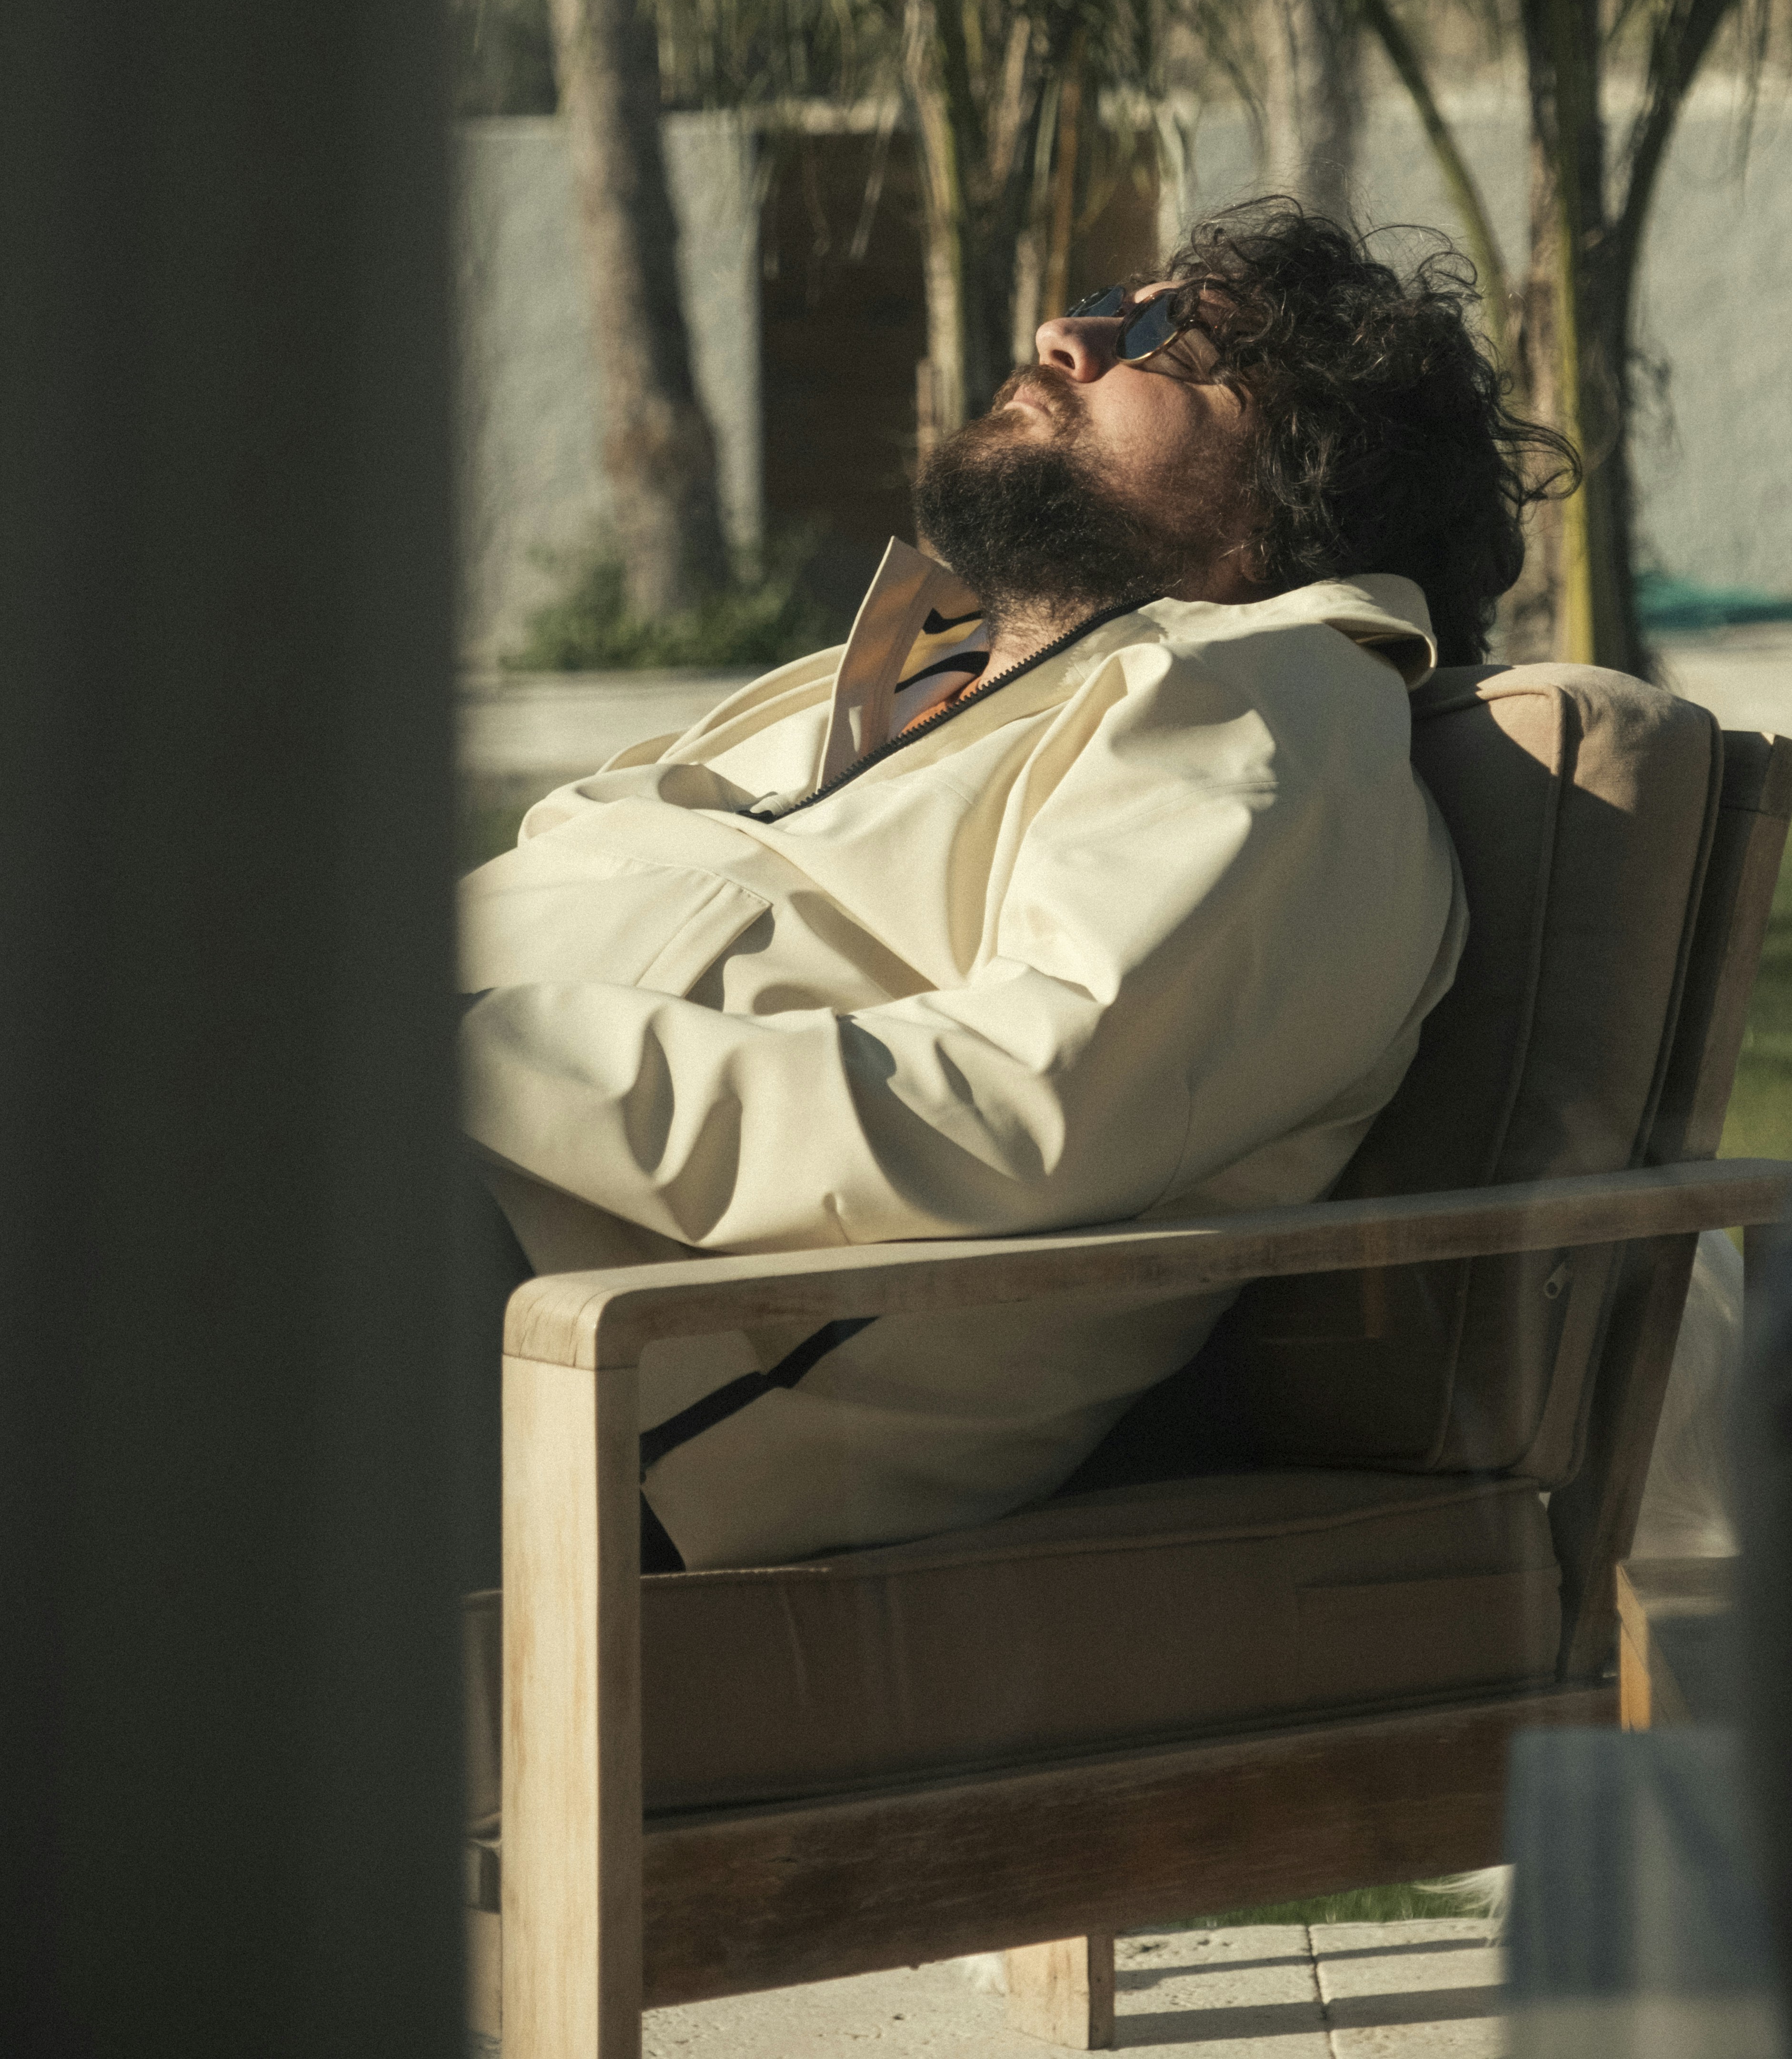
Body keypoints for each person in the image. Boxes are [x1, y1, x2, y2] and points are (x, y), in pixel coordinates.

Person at [460, 200, 1572, 1571]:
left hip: (578, 1351)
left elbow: (1010, 1111)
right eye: (1108, 297)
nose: (1067, 334)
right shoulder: (909, 671)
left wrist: (457, 1051)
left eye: (1165, 338)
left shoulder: (1273, 714)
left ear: (1287, 505)